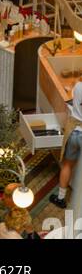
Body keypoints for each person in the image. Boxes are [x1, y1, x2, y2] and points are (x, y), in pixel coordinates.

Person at [49, 80, 82, 208]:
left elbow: (70, 94)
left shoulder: (78, 86)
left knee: (67, 164)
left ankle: (61, 198)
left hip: (74, 132)